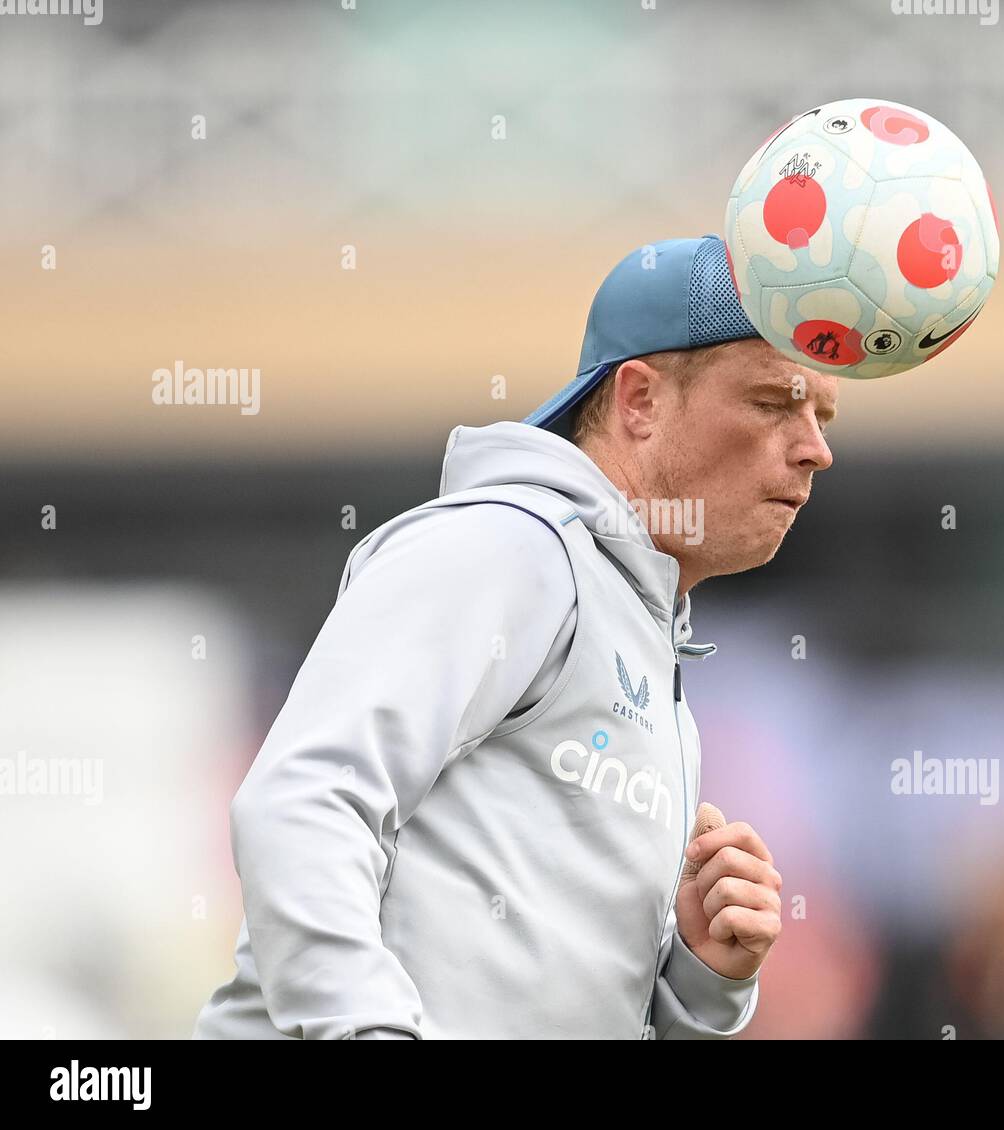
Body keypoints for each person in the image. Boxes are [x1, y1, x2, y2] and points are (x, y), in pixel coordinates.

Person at [192, 234, 836, 1039]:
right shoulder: (511, 546)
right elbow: (302, 801)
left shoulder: (643, 643)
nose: (817, 447)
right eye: (776, 402)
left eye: (822, 412)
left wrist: (701, 976)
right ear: (639, 400)